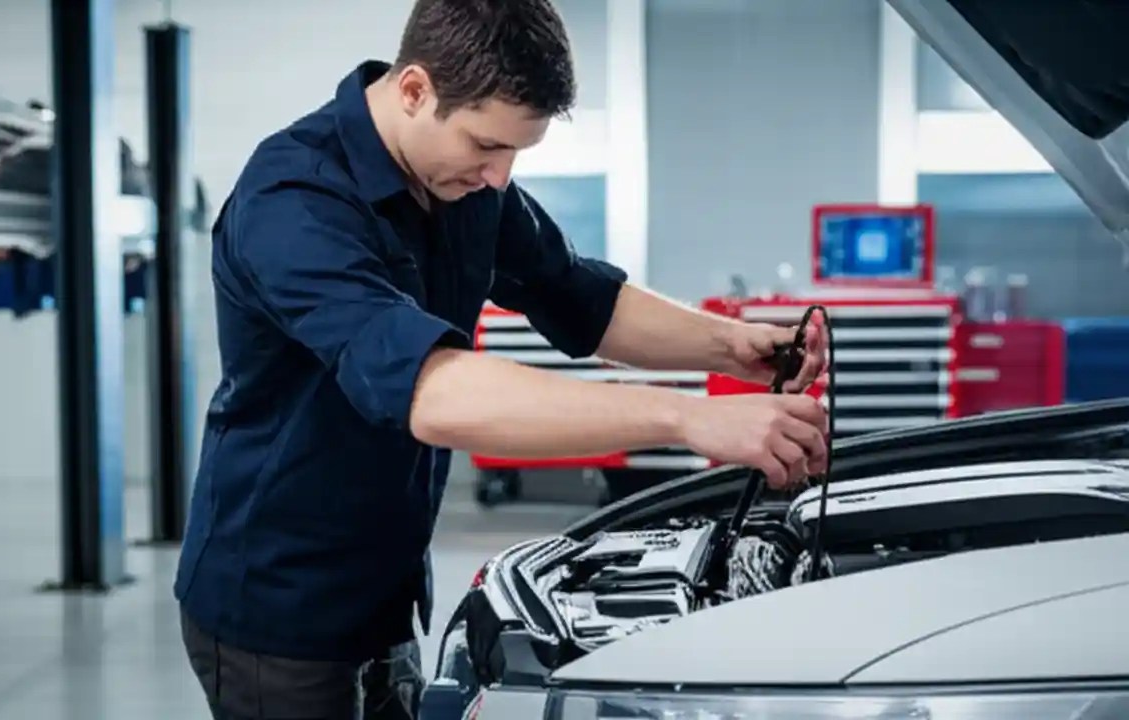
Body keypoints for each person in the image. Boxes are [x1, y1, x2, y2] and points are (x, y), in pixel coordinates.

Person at [175, 0, 828, 717]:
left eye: (517, 152)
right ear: (415, 90)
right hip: (277, 607)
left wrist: (732, 346)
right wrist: (689, 418)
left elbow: (577, 295)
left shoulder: (461, 181)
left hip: (383, 589)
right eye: (487, 145)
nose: (499, 175)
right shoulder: (292, 200)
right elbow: (431, 392)